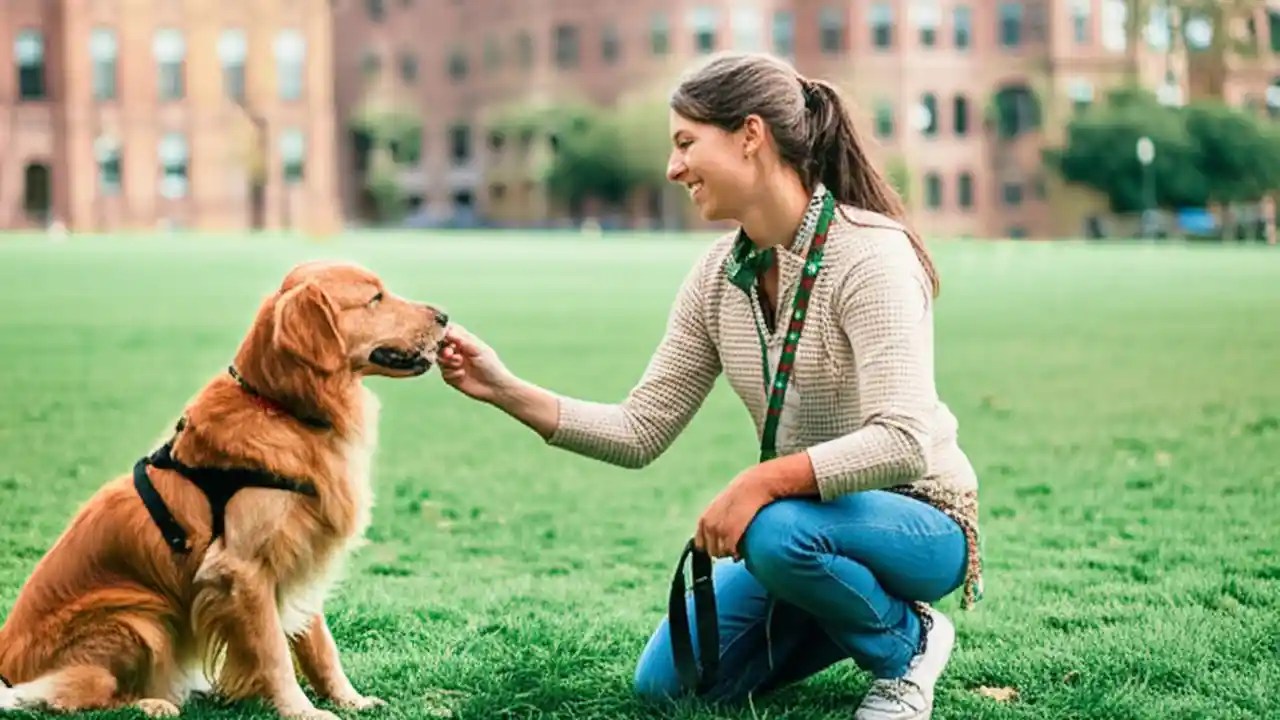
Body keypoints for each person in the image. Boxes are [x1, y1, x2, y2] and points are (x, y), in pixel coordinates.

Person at [437, 51, 982, 720]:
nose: (673, 168)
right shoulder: (718, 277)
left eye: (686, 143)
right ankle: (845, 606)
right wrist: (503, 388)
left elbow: (904, 440)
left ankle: (907, 644)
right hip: (806, 528)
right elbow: (640, 430)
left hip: (919, 517)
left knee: (777, 531)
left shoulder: (871, 255)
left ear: (751, 135)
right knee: (670, 683)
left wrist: (760, 483)